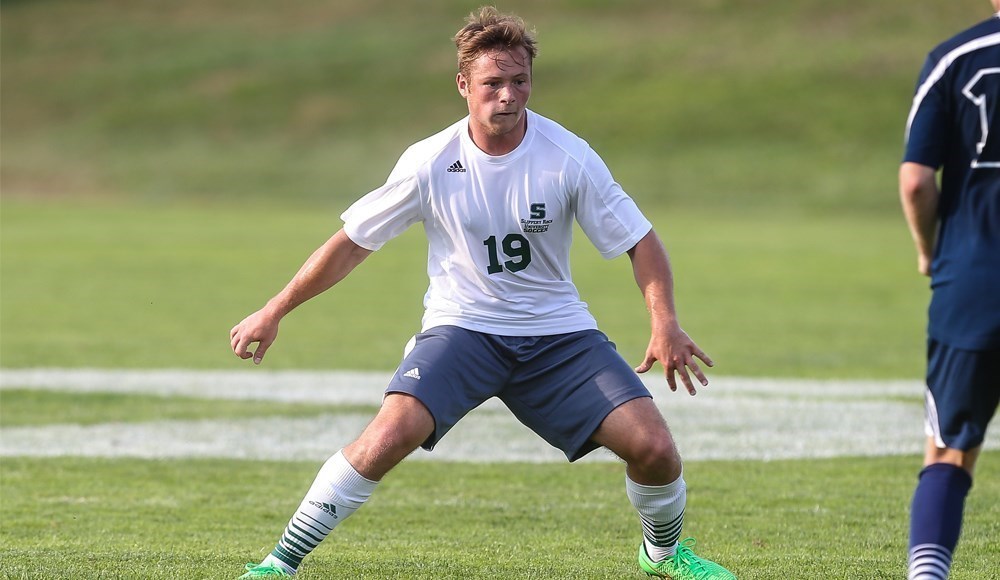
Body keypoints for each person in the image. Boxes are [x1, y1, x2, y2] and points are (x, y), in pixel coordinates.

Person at [230, 7, 735, 579]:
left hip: (557, 336)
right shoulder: (430, 161)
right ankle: (278, 564)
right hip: (462, 330)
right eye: (493, 83)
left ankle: (662, 557)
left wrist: (664, 322)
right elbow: (351, 243)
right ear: (464, 85)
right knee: (387, 437)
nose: (508, 95)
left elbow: (640, 241)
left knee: (656, 450)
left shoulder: (567, 156)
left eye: (519, 81)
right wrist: (274, 310)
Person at [899, 2, 1000, 579]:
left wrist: (928, 250)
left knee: (948, 448)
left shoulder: (954, 59)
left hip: (974, 281)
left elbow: (916, 180)